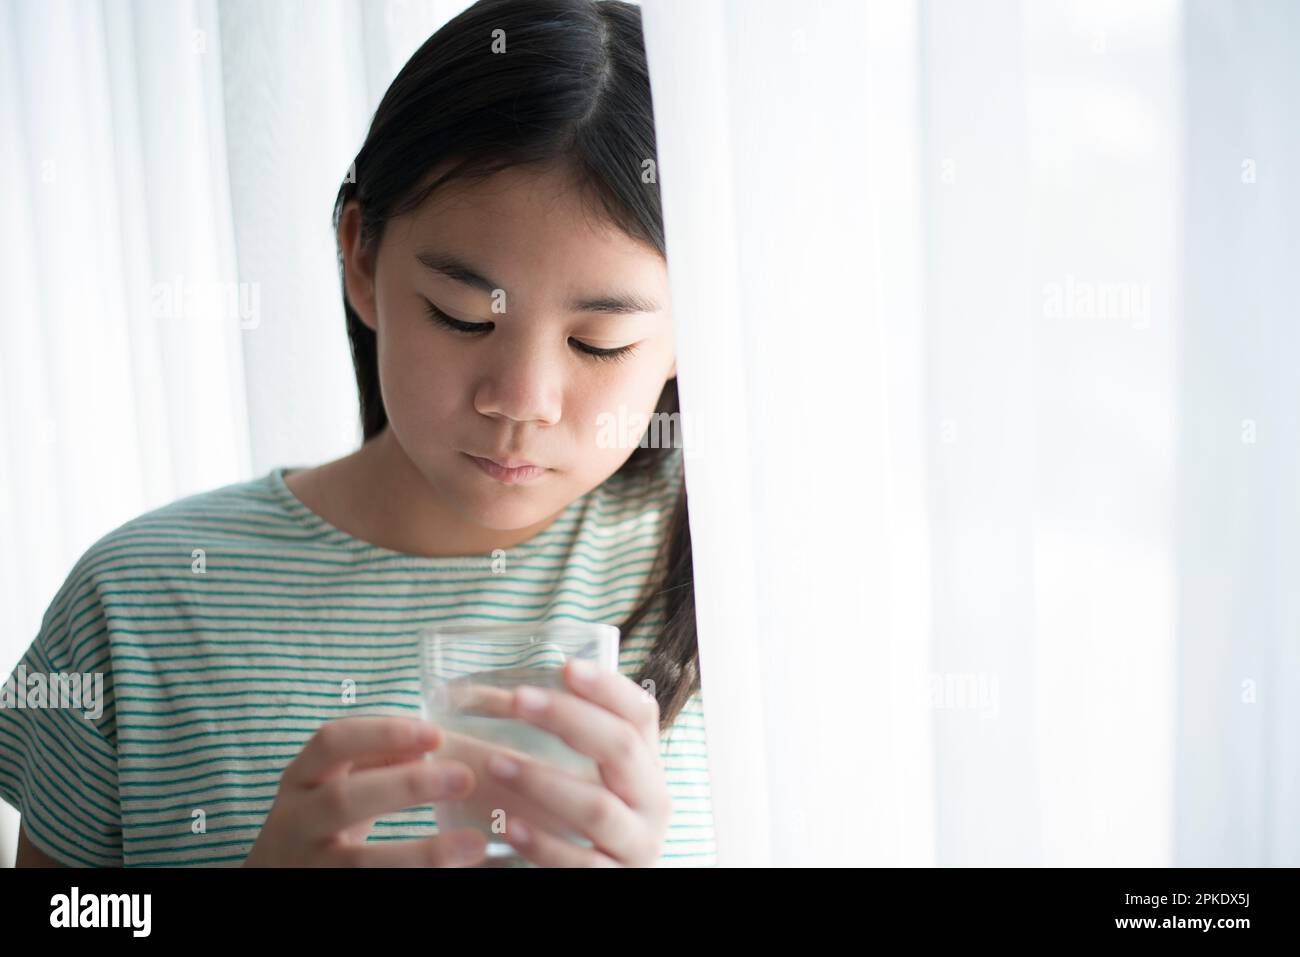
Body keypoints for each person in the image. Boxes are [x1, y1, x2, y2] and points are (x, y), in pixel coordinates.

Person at [0, 0, 713, 868]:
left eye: (598, 341)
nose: (520, 400)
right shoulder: (137, 604)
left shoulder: (735, 583)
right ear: (362, 260)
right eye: (460, 316)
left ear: (693, 328)